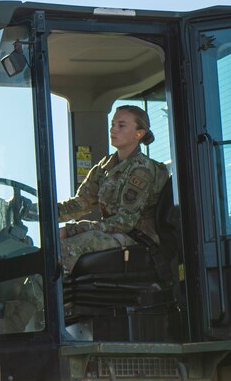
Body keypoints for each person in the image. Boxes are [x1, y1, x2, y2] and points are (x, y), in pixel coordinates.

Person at [58, 105, 169, 272]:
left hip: (138, 241)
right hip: (114, 235)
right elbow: (81, 203)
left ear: (139, 134)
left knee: (72, 246)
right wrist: (40, 213)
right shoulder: (104, 167)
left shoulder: (142, 170)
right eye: (112, 124)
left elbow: (124, 223)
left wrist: (74, 229)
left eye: (121, 125)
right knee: (52, 245)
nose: (113, 129)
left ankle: (40, 296)